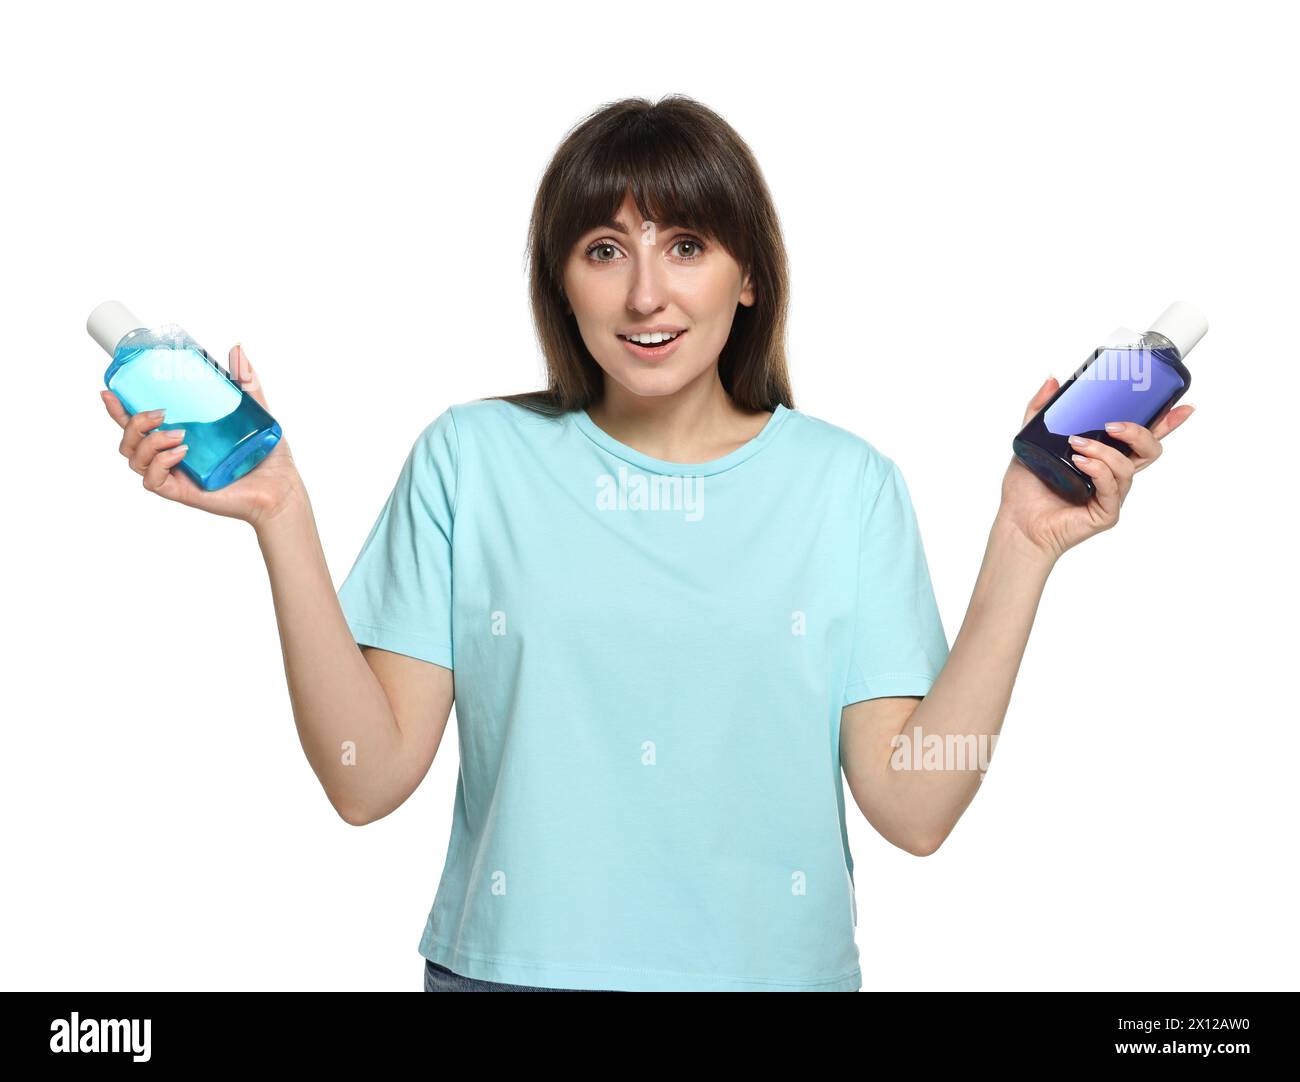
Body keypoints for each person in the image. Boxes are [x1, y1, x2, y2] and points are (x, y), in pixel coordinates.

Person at [99, 95, 1195, 992]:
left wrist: (1021, 542)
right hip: (507, 977)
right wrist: (282, 517)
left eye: (685, 244)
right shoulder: (470, 458)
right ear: (559, 279)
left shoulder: (844, 485)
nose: (645, 291)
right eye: (602, 247)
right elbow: (365, 778)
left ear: (746, 273)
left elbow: (914, 806)